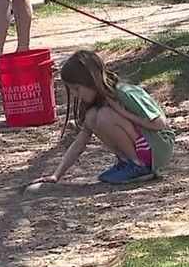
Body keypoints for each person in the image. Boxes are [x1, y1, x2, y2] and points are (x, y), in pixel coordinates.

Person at [31, 50, 175, 185]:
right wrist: (56, 175)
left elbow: (160, 124)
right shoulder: (97, 105)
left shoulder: (124, 93)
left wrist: (126, 114)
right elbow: (79, 143)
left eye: (77, 89)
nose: (75, 95)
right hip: (146, 147)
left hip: (158, 148)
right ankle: (127, 162)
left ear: (90, 80)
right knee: (94, 115)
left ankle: (139, 165)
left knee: (104, 116)